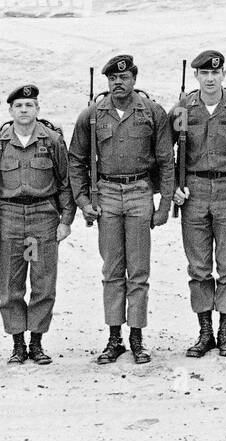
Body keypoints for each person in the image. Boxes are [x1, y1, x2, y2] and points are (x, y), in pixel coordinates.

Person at [67, 54, 174, 364]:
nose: (118, 83)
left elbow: (167, 161)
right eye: (113, 78)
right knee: (112, 269)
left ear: (134, 80)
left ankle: (137, 337)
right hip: (108, 195)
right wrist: (84, 201)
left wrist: (164, 204)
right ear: (108, 82)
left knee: (138, 270)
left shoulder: (152, 113)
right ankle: (114, 338)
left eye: (124, 78)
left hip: (141, 192)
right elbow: (76, 161)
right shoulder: (91, 116)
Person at [0, 84, 75, 365]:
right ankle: (18, 344)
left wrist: (66, 220)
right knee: (11, 285)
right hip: (8, 219)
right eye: (18, 106)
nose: (23, 110)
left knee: (43, 283)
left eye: (29, 106)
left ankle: (37, 343)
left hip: (43, 217)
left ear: (37, 109)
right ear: (10, 111)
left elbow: (66, 183)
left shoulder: (52, 141)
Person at [172, 50, 226, 359]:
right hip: (193, 191)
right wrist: (174, 188)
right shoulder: (184, 109)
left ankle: (225, 332)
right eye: (204, 73)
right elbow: (164, 151)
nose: (210, 78)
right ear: (196, 76)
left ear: (224, 74)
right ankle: (205, 332)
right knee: (198, 266)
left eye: (215, 73)